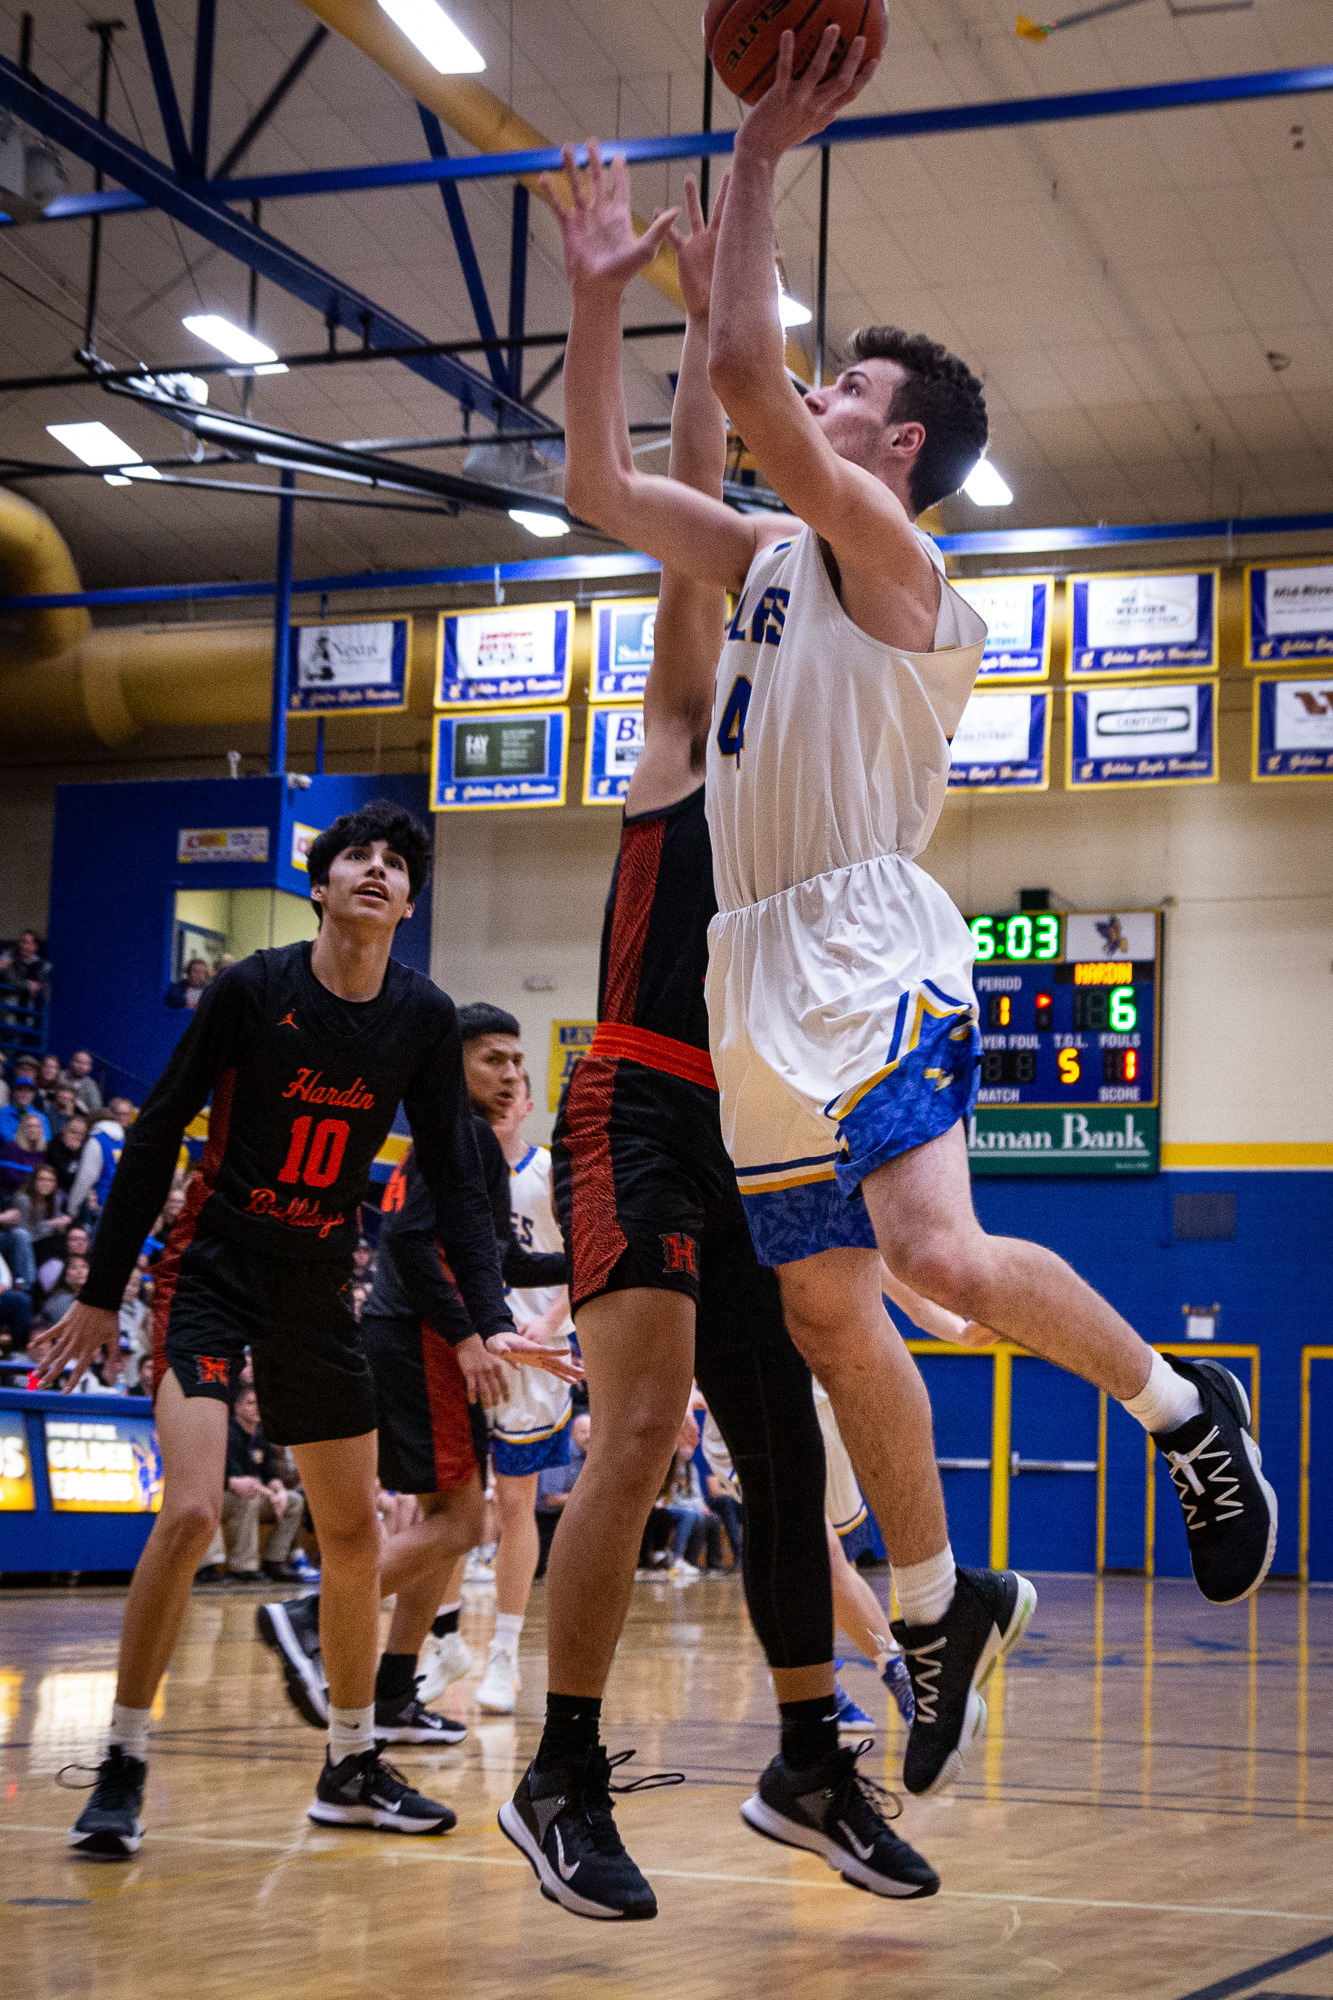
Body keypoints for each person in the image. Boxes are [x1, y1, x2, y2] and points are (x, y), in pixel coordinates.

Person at [550, 57, 1277, 1794]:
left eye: (847, 383)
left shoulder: (890, 562)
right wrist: (594, 307)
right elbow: (601, 483)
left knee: (932, 1261)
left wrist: (758, 145)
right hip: (753, 978)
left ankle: (1182, 1413)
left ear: (888, 449)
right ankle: (939, 1598)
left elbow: (738, 374)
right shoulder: (760, 557)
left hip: (867, 939)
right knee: (821, 1317)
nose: (817, 382)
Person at [501, 173, 940, 1921]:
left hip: (771, 1118)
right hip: (634, 1100)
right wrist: (644, 302)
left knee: (783, 1449)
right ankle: (556, 1768)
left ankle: (809, 1763)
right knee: (643, 1419)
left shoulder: (829, 738)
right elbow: (647, 493)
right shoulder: (698, 719)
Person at [31, 798, 521, 1861]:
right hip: (210, 1269)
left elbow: (452, 1176)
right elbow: (158, 1127)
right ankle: (120, 1759)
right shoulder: (256, 988)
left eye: (397, 861)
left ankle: (350, 1762)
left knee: (349, 1533)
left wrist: (485, 1320)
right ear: (321, 882)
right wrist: (103, 1288)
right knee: (193, 1510)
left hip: (314, 1285)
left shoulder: (423, 1018)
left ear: (408, 898)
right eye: (358, 855)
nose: (378, 869)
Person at [259, 1138, 578, 1744]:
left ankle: (395, 1693)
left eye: (517, 1061)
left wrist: (579, 1263)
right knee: (463, 1523)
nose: (511, 1076)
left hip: (422, 1336)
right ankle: (308, 1617)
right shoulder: (459, 1139)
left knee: (444, 1520)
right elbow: (406, 1240)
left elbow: (499, 1261)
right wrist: (465, 1336)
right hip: (422, 1338)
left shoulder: (472, 1147)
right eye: (493, 1059)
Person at [464, 1054, 576, 1717]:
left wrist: (554, 1320)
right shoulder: (460, 1167)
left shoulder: (548, 1173)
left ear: (529, 1106)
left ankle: (502, 1653)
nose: (505, 1099)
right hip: (465, 1342)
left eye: (517, 1091)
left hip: (534, 1346)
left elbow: (581, 1258)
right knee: (443, 1500)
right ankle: (445, 1639)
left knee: (514, 1502)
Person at [221, 1385, 307, 1581]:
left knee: (294, 1501)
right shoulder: (229, 1434)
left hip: (255, 1493)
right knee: (247, 1499)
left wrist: (279, 1491)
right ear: (237, 1407)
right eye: (250, 1403)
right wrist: (269, 1493)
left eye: (259, 1403)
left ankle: (274, 1561)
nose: (256, 1408)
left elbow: (271, 1474)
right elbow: (238, 1482)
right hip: (226, 1495)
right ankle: (243, 1567)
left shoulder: (260, 1436)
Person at [66, 1098, 135, 1223]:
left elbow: (85, 1178)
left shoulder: (97, 1141)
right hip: (115, 1207)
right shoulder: (121, 1142)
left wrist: (72, 1208)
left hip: (98, 1205)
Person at [47, 1112, 89, 1196]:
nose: (77, 1137)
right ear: (64, 1129)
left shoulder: (85, 1148)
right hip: (56, 1190)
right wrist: (73, 1152)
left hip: (76, 1191)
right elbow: (64, 1176)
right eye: (73, 1132)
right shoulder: (54, 1145)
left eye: (81, 1134)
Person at [0, 1077, 50, 1145]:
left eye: (29, 1090)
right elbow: (6, 1137)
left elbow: (46, 1139)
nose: (24, 1094)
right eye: (20, 1089)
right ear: (13, 1092)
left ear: (33, 1094)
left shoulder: (41, 1117)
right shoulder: (2, 1113)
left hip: (35, 1153)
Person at [60, 1051, 102, 1118]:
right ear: (71, 1062)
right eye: (78, 1062)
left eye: (85, 1064)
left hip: (77, 1121)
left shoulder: (91, 1086)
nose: (81, 1066)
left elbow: (96, 1111)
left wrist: (82, 1108)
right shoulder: (60, 1076)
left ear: (89, 1067)